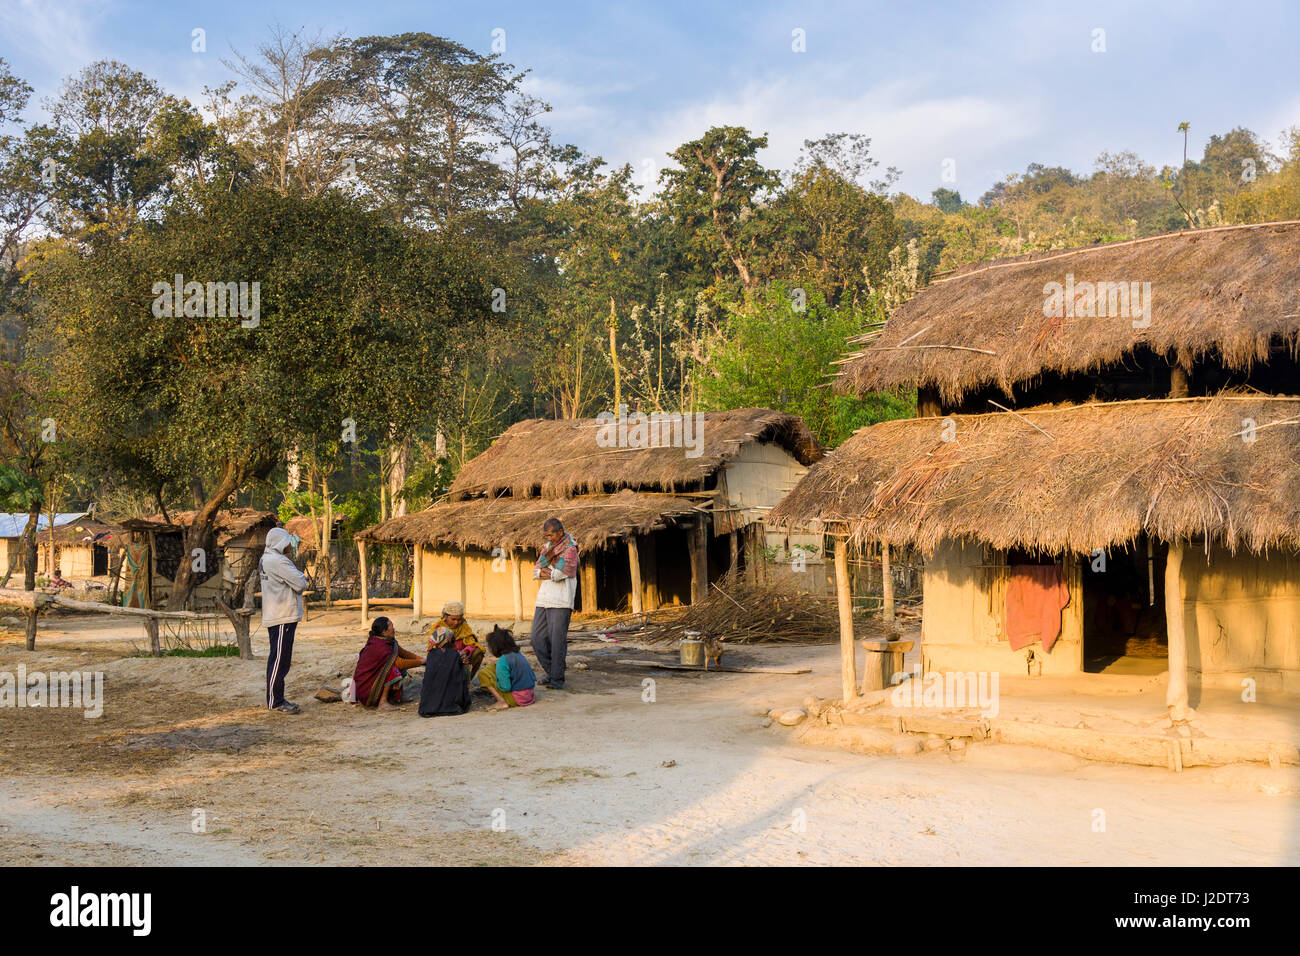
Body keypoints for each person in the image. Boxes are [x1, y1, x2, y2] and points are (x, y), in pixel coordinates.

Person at [260, 527, 308, 714]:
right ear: (280, 543)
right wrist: (300, 575)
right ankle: (275, 701)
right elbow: (300, 583)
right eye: (287, 541)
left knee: (280, 659)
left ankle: (277, 698)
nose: (289, 544)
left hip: (278, 615)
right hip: (281, 616)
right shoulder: (278, 561)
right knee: (279, 660)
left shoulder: (266, 559)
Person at [530, 517, 579, 690]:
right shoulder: (547, 548)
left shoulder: (570, 549)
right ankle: (552, 672)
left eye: (551, 535)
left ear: (560, 531)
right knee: (536, 638)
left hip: (561, 600)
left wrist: (546, 570)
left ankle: (557, 679)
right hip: (544, 598)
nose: (548, 538)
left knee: (557, 641)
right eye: (546, 535)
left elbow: (559, 574)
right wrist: (548, 570)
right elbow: (535, 571)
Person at [353, 616, 425, 711]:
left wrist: (423, 659)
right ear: (384, 631)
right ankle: (383, 702)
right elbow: (400, 663)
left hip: (373, 683)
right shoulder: (380, 647)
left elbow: (404, 653)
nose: (394, 628)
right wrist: (420, 662)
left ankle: (396, 697)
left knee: (395, 668)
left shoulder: (388, 642)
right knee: (393, 669)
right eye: (391, 626)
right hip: (368, 691)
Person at [477, 625, 537, 711]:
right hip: (530, 696)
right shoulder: (518, 654)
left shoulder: (503, 660)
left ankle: (502, 702)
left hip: (517, 699)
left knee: (483, 674)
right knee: (491, 668)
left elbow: (505, 687)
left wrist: (496, 680)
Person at [418, 625, 471, 717]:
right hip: (453, 707)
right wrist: (465, 665)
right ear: (449, 641)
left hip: (427, 708)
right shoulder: (456, 656)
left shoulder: (431, 656)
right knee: (465, 670)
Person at [431, 600, 484, 679]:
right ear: (445, 616)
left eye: (459, 619)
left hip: (462, 656)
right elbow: (433, 649)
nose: (456, 623)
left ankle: (467, 680)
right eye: (453, 619)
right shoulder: (439, 627)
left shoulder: (463, 626)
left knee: (479, 652)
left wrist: (465, 652)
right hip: (445, 658)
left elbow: (471, 642)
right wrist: (453, 655)